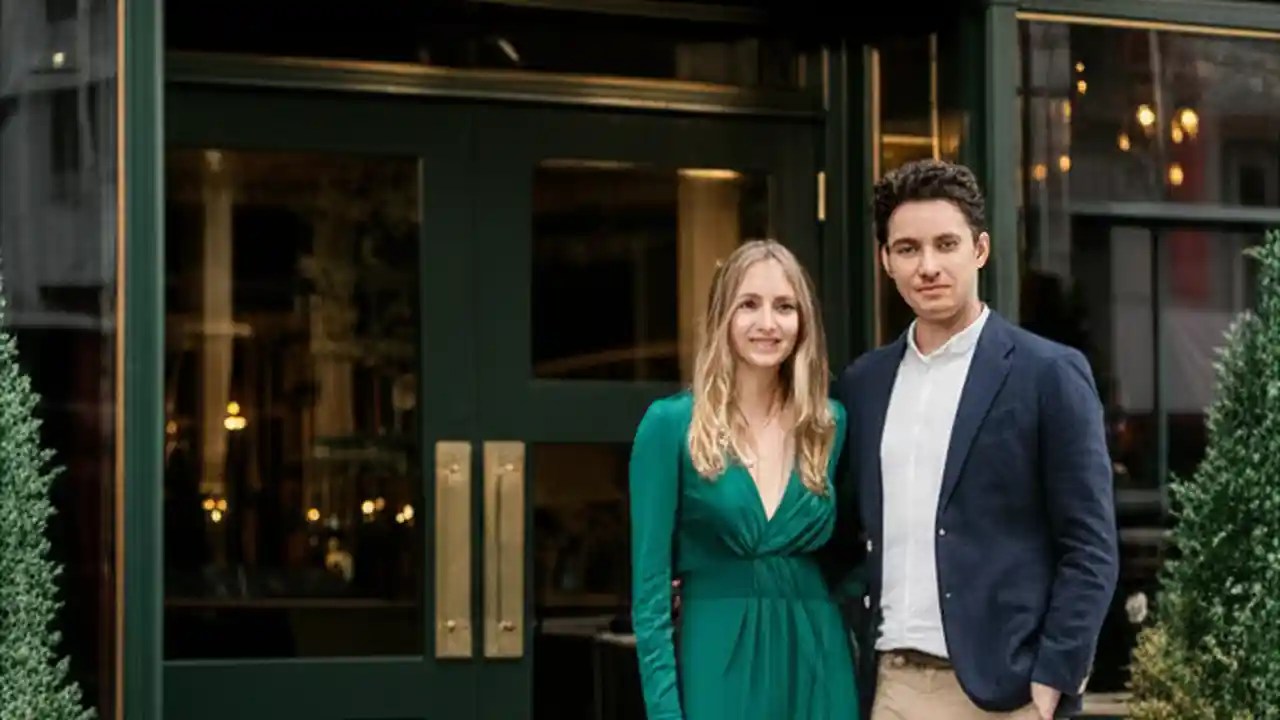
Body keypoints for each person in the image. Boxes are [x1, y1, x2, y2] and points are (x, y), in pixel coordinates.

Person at [830, 159, 1119, 719]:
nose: (928, 266)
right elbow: (841, 535)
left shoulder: (1048, 374)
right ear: (886, 260)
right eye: (908, 249)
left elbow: (1091, 546)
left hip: (1007, 695)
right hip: (893, 685)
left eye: (946, 244)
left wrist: (1054, 679)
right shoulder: (864, 384)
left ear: (979, 250)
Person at [629, 240, 860, 720]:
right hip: (715, 659)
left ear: (804, 322)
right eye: (749, 305)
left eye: (785, 307)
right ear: (722, 316)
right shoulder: (670, 426)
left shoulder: (828, 425)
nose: (768, 324)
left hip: (818, 661)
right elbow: (649, 598)